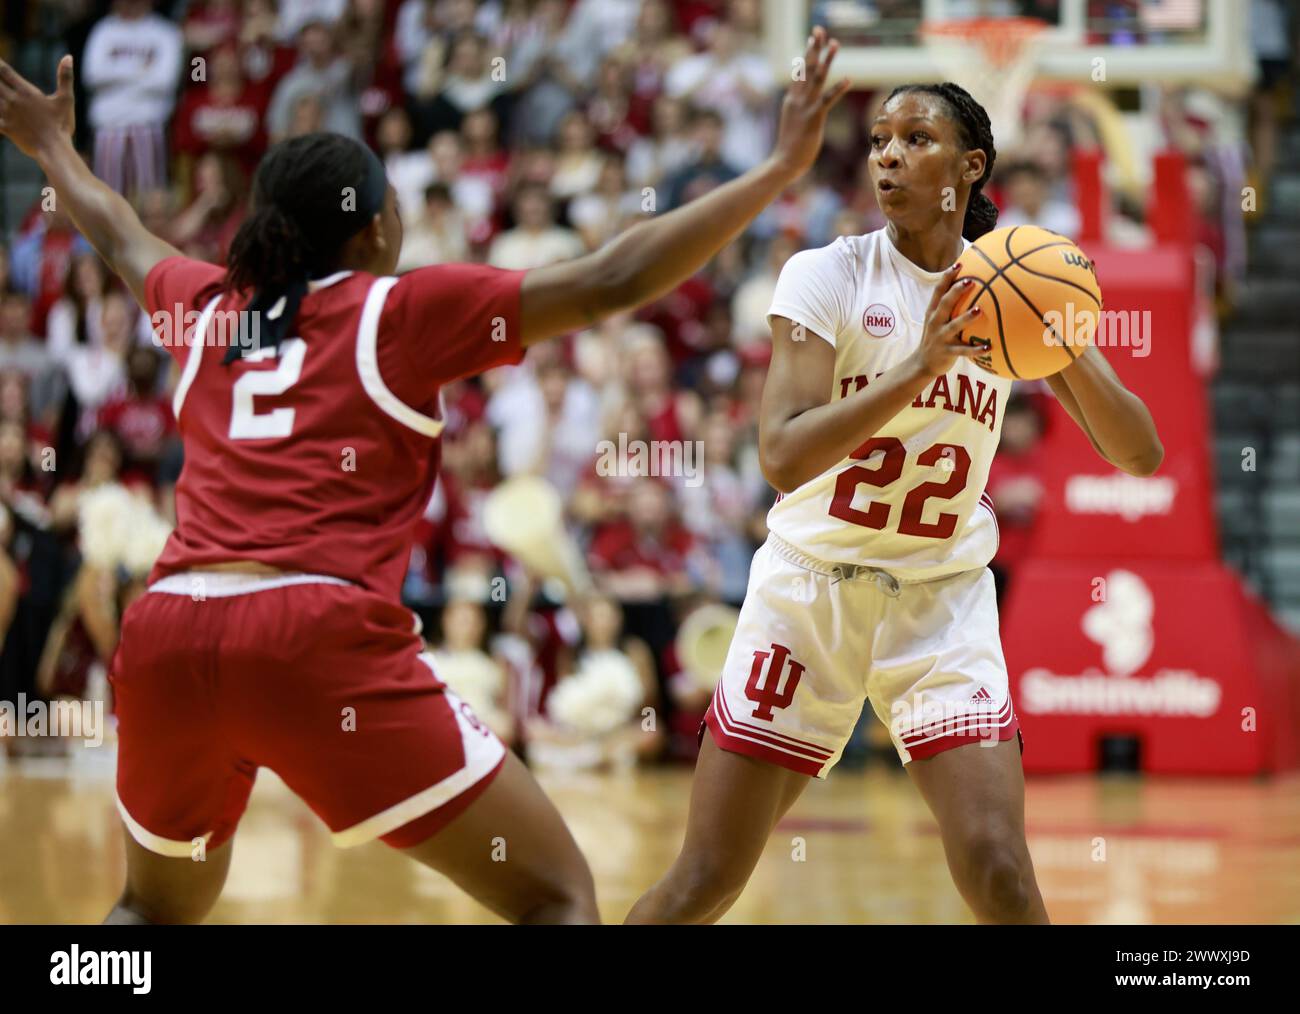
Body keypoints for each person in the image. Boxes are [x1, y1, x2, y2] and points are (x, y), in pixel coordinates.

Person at [0, 30, 850, 925]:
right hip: (310, 632)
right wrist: (777, 173)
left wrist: (54, 145)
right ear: (373, 226)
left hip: (170, 628)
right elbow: (612, 278)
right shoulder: (399, 314)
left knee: (149, 912)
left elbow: (121, 236)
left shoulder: (207, 307)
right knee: (557, 895)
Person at [627, 82, 1164, 926]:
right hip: (809, 594)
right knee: (708, 880)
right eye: (880, 138)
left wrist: (1060, 332)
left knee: (1000, 872)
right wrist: (916, 367)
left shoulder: (1002, 294)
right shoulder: (825, 274)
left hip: (940, 603)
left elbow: (1141, 452)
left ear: (970, 167)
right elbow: (782, 456)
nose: (887, 153)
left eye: (916, 138)